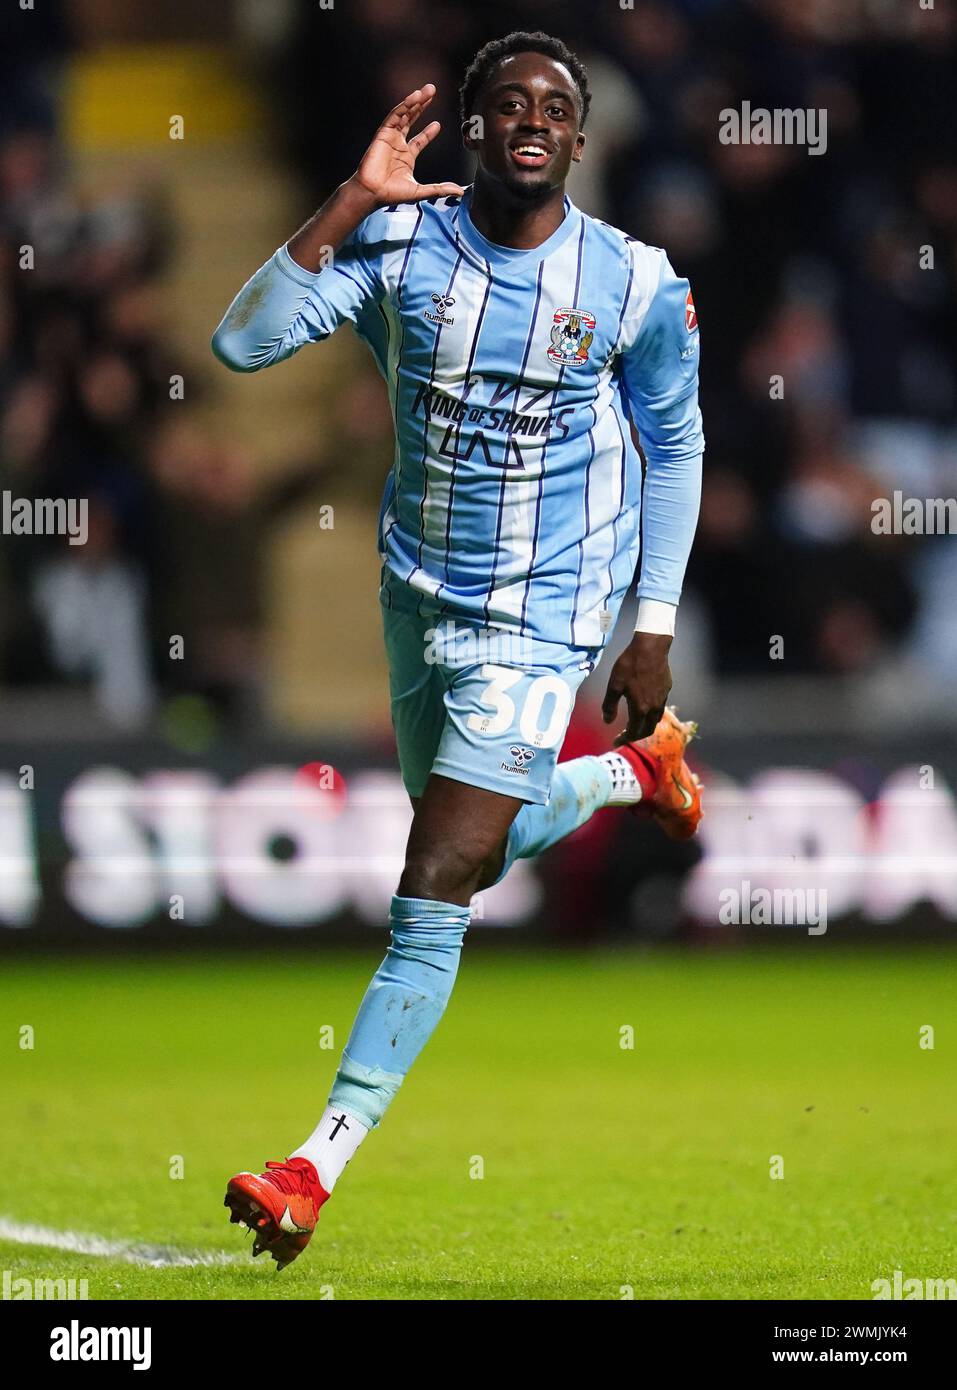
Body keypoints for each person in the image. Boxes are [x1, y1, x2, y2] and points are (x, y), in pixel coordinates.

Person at [212, 30, 704, 1269]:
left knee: (438, 877)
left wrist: (650, 628)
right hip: (419, 591)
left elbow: (679, 445)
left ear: (580, 139)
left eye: (555, 105)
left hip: (546, 612)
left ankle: (311, 1164)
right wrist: (347, 200)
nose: (531, 119)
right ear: (475, 129)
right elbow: (242, 344)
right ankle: (628, 775)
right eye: (505, 103)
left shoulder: (635, 282)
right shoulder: (404, 245)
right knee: (470, 837)